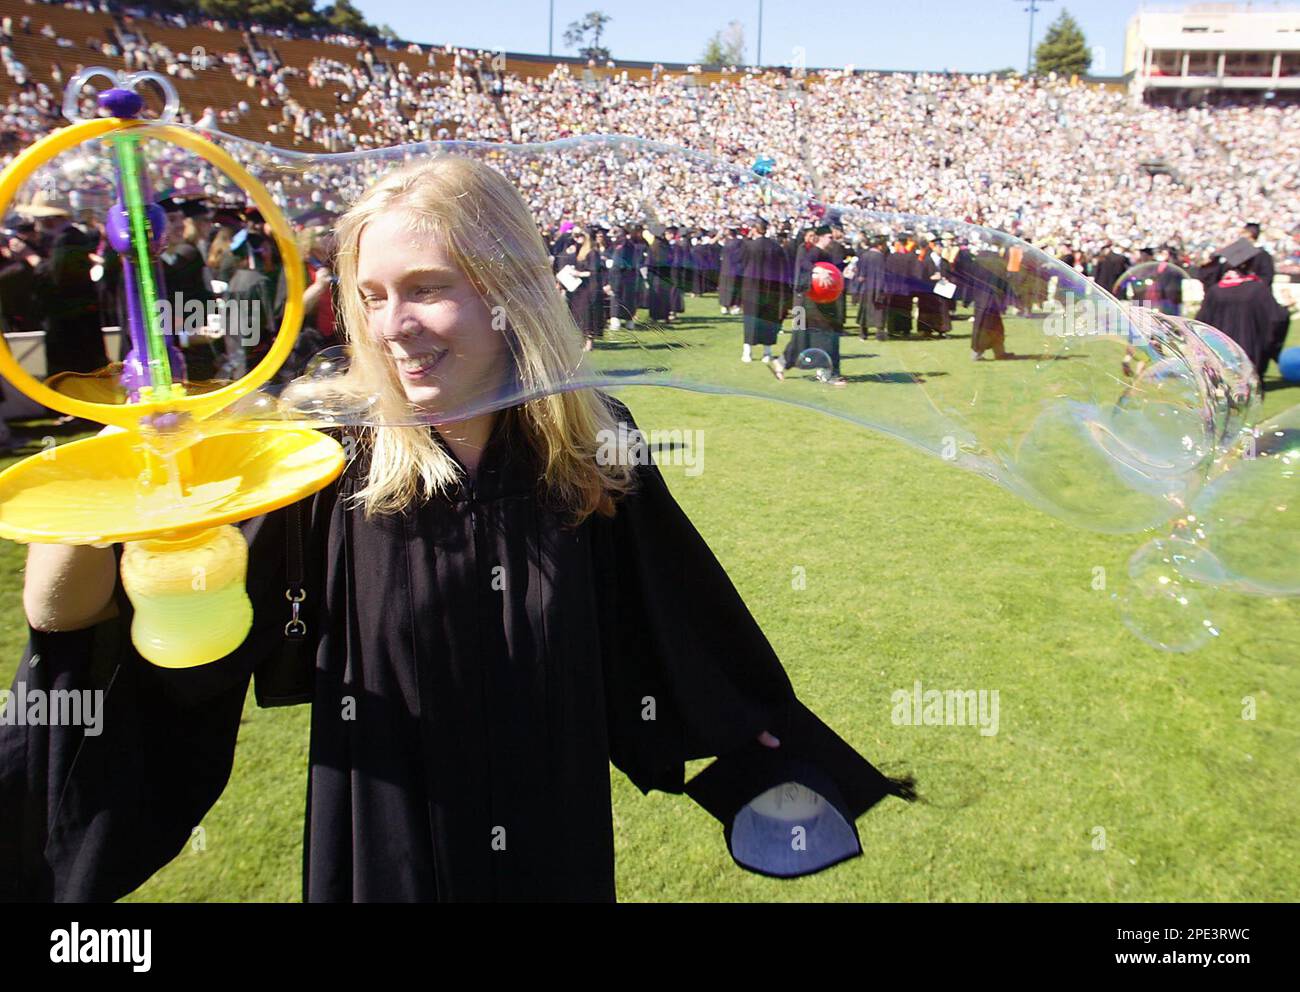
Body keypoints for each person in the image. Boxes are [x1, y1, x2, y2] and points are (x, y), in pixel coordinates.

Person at [8, 156, 913, 903]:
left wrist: (763, 744)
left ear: (505, 291)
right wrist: (119, 482)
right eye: (371, 295)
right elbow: (78, 627)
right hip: (386, 852)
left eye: (428, 290)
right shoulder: (323, 456)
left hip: (554, 852)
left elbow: (671, 621)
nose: (393, 327)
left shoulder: (590, 444)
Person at [736, 218, 788, 363]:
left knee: (751, 319)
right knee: (768, 319)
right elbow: (783, 269)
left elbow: (740, 265)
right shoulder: (776, 247)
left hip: (751, 287)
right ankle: (767, 352)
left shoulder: (748, 246)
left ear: (754, 229)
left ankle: (747, 352)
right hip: (771, 287)